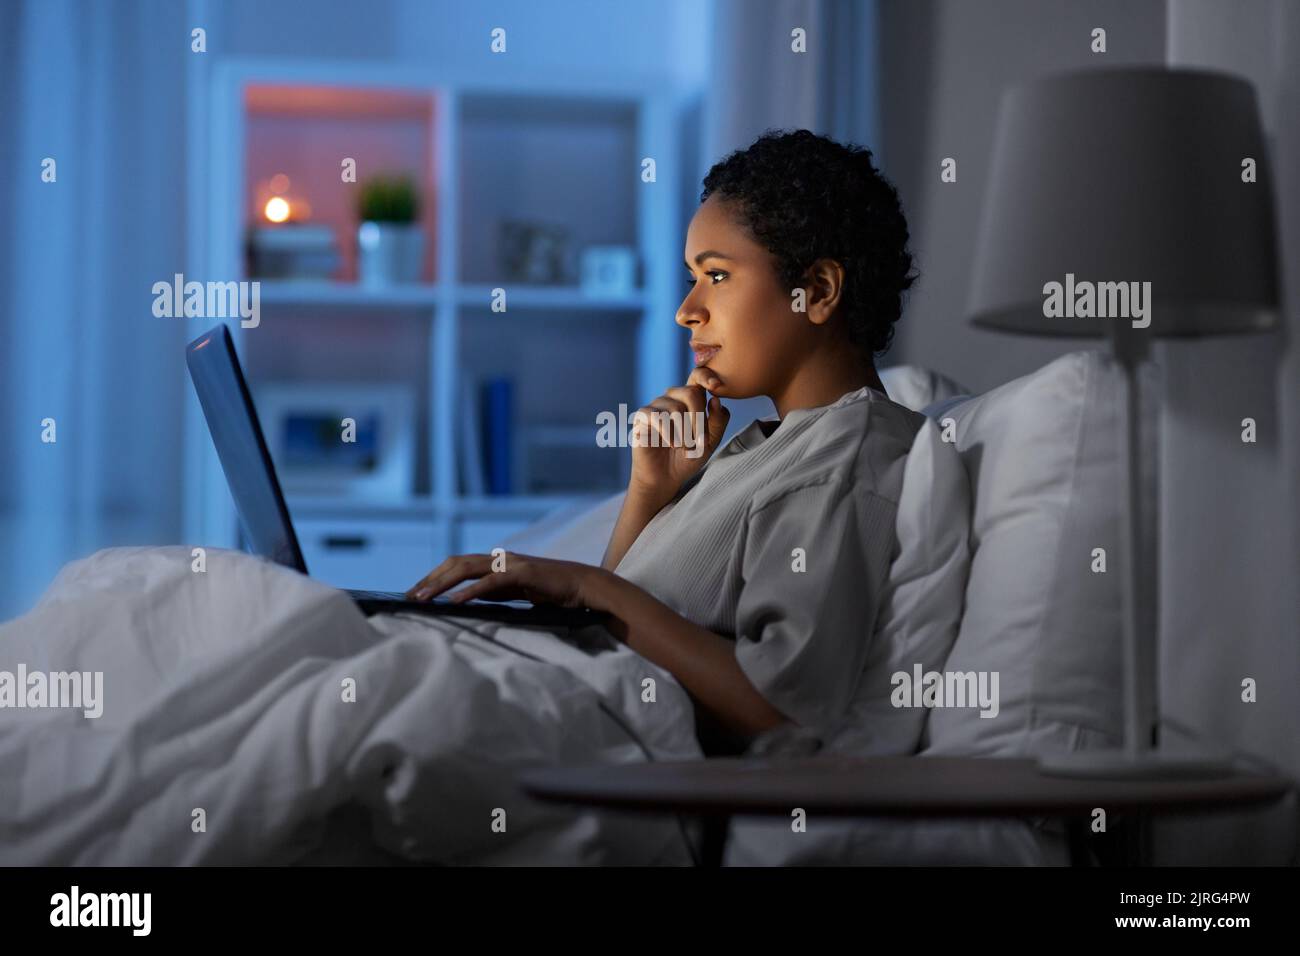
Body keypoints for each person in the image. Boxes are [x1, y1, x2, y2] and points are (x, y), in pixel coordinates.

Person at [405, 129, 925, 756]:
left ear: (815, 291)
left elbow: (782, 709)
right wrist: (651, 491)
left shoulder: (846, 453)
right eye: (692, 277)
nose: (686, 309)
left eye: (716, 275)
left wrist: (583, 585)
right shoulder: (766, 446)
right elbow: (610, 631)